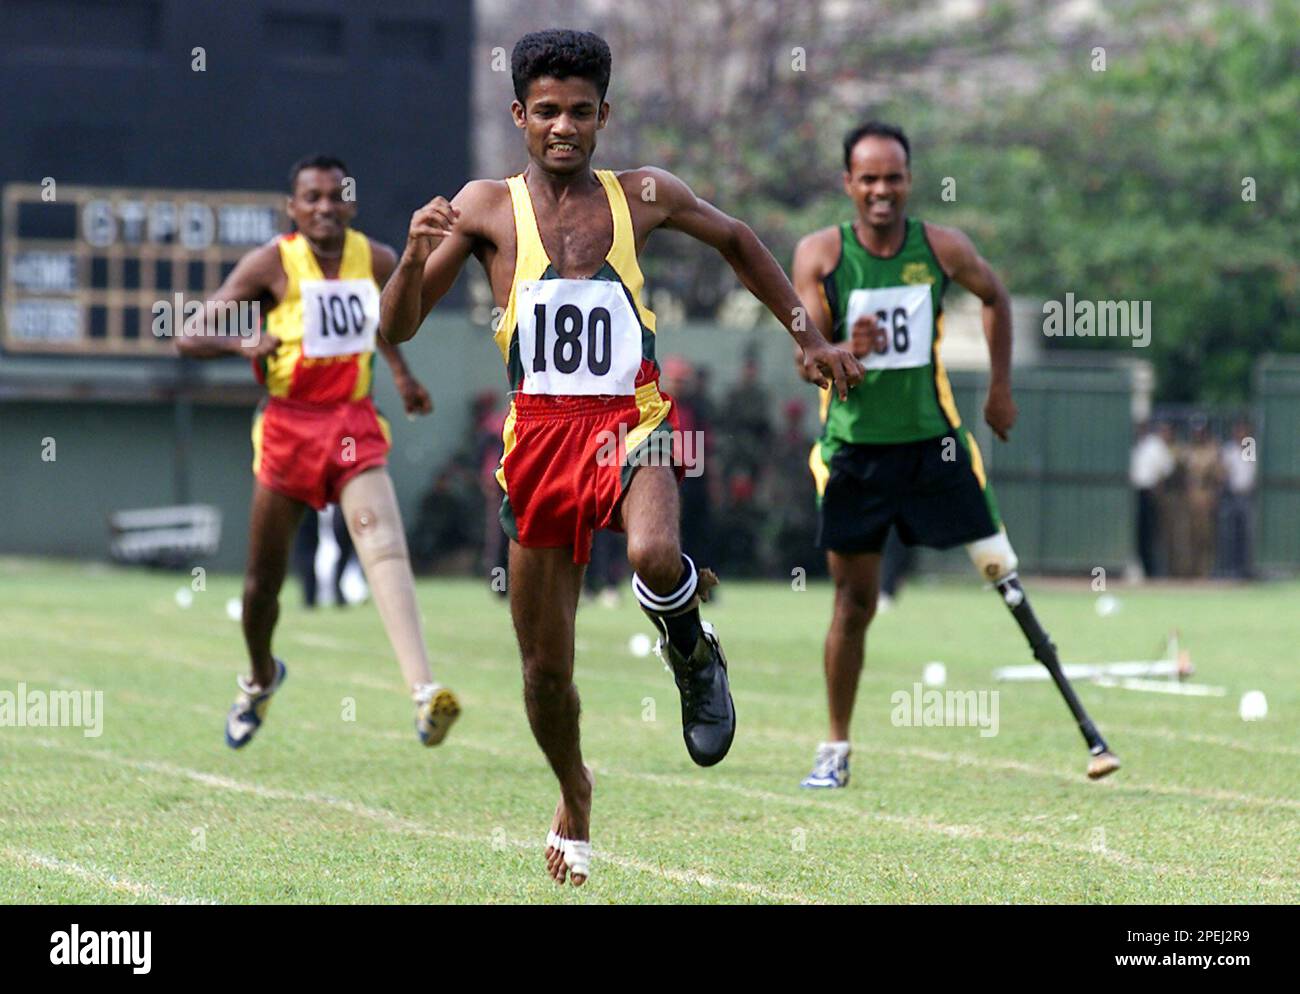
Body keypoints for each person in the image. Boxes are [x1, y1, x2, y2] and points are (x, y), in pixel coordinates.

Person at [380, 30, 862, 885]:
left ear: (605, 114)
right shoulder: (486, 206)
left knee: (650, 551)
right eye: (547, 112)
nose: (563, 127)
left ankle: (691, 650)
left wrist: (807, 334)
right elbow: (398, 327)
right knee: (544, 675)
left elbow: (741, 241)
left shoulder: (643, 195)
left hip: (632, 416)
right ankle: (575, 787)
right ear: (519, 115)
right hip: (538, 441)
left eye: (580, 112)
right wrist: (414, 255)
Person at [791, 121, 1118, 789]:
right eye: (869, 179)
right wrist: (841, 349)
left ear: (910, 180)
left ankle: (1091, 736)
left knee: (1004, 574)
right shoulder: (820, 256)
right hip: (854, 453)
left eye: (894, 178)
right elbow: (806, 358)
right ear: (848, 183)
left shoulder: (941, 248)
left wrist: (1000, 390)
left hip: (934, 447)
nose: (882, 191)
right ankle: (835, 747)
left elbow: (995, 296)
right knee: (855, 604)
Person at [175, 155, 460, 751]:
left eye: (336, 196)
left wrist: (402, 375)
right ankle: (258, 678)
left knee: (382, 544)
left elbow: (388, 319)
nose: (325, 206)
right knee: (262, 586)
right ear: (293, 207)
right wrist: (242, 341)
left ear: (350, 204)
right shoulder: (272, 263)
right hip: (287, 427)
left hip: (352, 419)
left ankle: (424, 692)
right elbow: (189, 333)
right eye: (312, 197)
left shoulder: (375, 258)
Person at [1129, 420, 1175, 578]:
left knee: (1151, 534)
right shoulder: (1131, 444)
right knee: (1135, 534)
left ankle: (1152, 572)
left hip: (1149, 492)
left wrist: (1159, 484)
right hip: (1131, 493)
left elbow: (1168, 467)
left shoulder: (1155, 445)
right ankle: (1138, 569)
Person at [1218, 419, 1256, 578]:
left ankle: (1245, 569)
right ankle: (1229, 569)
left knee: (1246, 534)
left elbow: (1249, 471)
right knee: (1229, 534)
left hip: (1246, 495)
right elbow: (1224, 472)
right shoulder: (1229, 449)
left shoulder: (1249, 447)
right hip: (1231, 495)